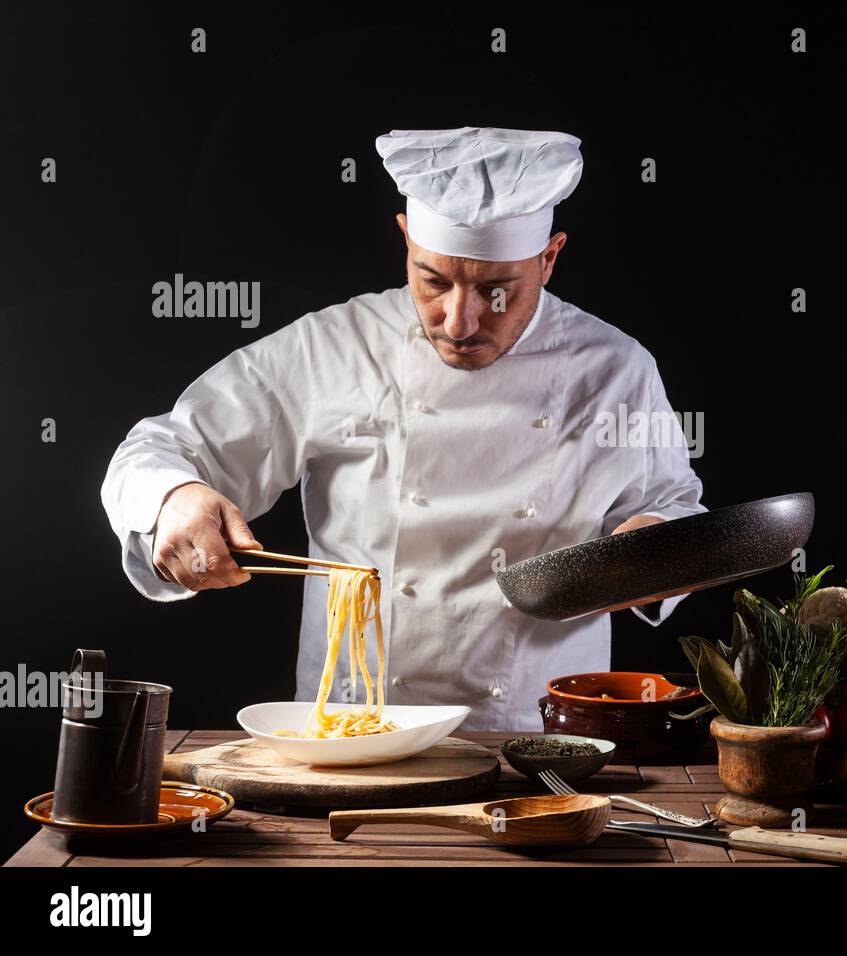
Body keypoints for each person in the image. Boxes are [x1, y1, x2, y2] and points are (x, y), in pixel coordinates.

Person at [101, 127, 705, 731]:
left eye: (496, 292)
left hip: (537, 735)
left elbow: (672, 505)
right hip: (352, 731)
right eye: (435, 281)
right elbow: (158, 448)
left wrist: (654, 548)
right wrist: (171, 499)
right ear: (405, 238)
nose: (459, 321)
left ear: (548, 259)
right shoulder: (335, 347)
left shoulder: (614, 368)